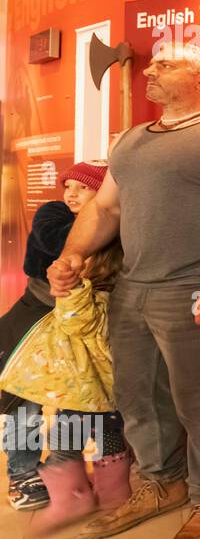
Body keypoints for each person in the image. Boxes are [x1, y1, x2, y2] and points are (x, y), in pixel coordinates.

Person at [48, 42, 200, 539]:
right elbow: (105, 210)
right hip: (133, 286)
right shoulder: (129, 141)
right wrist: (71, 258)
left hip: (193, 287)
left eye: (164, 65)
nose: (148, 70)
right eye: (151, 64)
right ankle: (160, 483)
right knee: (137, 396)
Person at [0, 241, 130, 535]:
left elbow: (74, 322)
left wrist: (70, 289)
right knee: (109, 438)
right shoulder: (117, 301)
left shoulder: (89, 300)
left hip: (80, 393)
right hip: (103, 391)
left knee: (64, 439)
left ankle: (72, 500)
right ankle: (114, 494)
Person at [2, 161, 106, 510]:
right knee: (23, 399)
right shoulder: (53, 213)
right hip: (34, 314)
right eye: (68, 186)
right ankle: (22, 475)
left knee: (75, 399)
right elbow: (56, 243)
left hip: (75, 323)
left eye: (83, 188)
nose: (71, 193)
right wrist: (101, 223)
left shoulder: (114, 224)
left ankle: (62, 471)